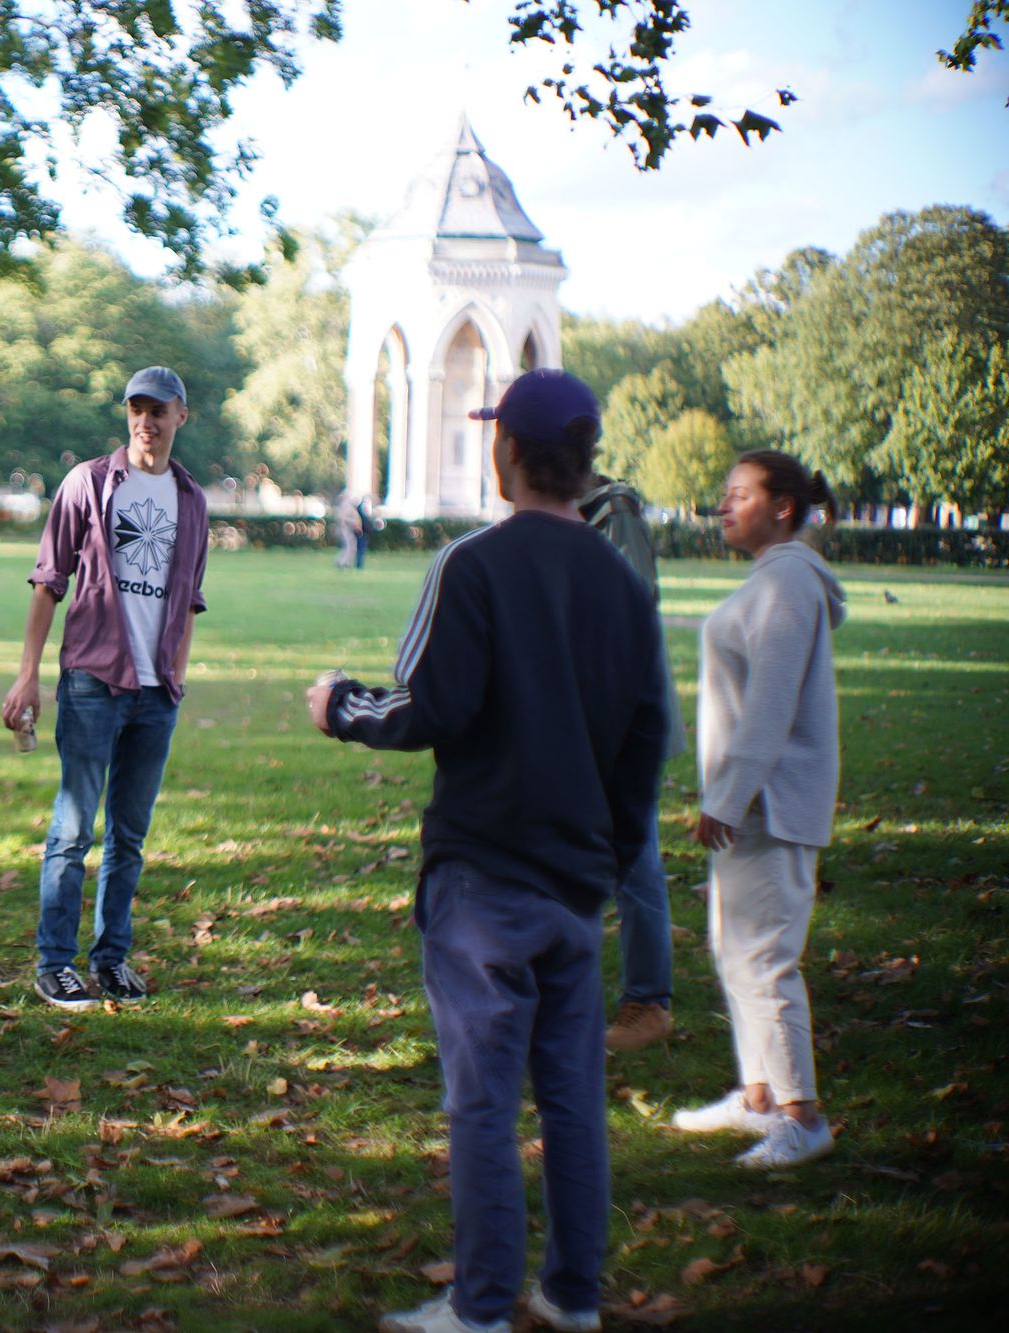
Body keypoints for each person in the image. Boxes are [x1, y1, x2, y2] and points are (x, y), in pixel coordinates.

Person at [308, 369, 666, 1333]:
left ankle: (479, 1307)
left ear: (506, 450)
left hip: (483, 880)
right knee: (573, 1098)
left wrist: (339, 705)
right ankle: (573, 1295)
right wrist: (607, 858)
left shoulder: (471, 565)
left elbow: (430, 704)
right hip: (575, 884)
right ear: (585, 461)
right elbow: (645, 745)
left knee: (483, 1102)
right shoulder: (626, 588)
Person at [2, 365, 210, 1010]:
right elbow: (48, 583)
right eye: (136, 409)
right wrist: (28, 675)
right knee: (71, 832)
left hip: (157, 692)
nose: (146, 421)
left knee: (128, 837)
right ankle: (55, 964)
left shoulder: (192, 500)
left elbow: (190, 597)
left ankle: (112, 960)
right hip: (93, 679)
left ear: (181, 417)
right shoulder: (89, 483)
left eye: (158, 410)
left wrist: (175, 675)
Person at [671, 450, 844, 1170]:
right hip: (750, 803)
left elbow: (770, 707)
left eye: (739, 494)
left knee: (765, 959)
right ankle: (760, 1097)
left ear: (783, 508)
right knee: (736, 950)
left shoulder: (791, 582)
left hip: (770, 804)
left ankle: (803, 1118)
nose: (724, 504)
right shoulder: (773, 577)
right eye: (725, 493)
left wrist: (727, 797)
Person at [579, 475, 688, 1052]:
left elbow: (631, 614)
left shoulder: (612, 511)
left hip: (624, 724)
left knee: (635, 857)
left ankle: (649, 1001)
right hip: (591, 723)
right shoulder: (574, 512)